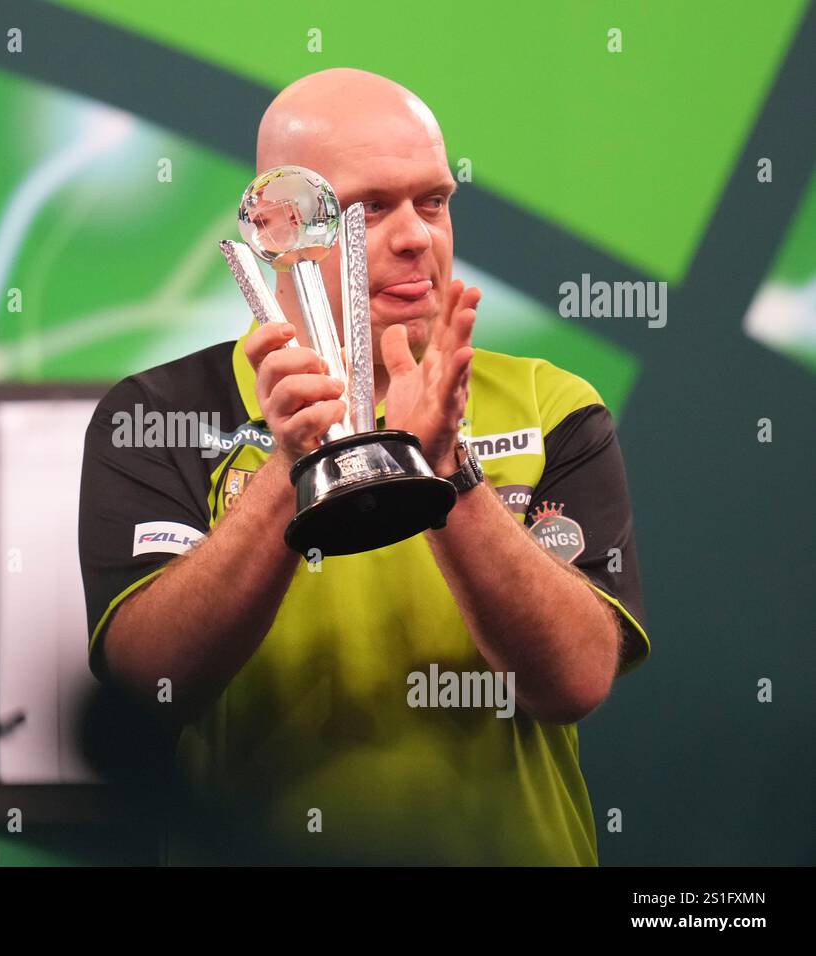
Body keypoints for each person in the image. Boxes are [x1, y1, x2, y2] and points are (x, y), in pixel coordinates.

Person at [77, 67, 650, 865]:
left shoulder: (551, 405)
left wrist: (446, 469)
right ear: (276, 223)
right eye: (369, 208)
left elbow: (576, 681)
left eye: (435, 201)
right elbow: (151, 685)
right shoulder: (162, 413)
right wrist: (291, 466)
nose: (417, 235)